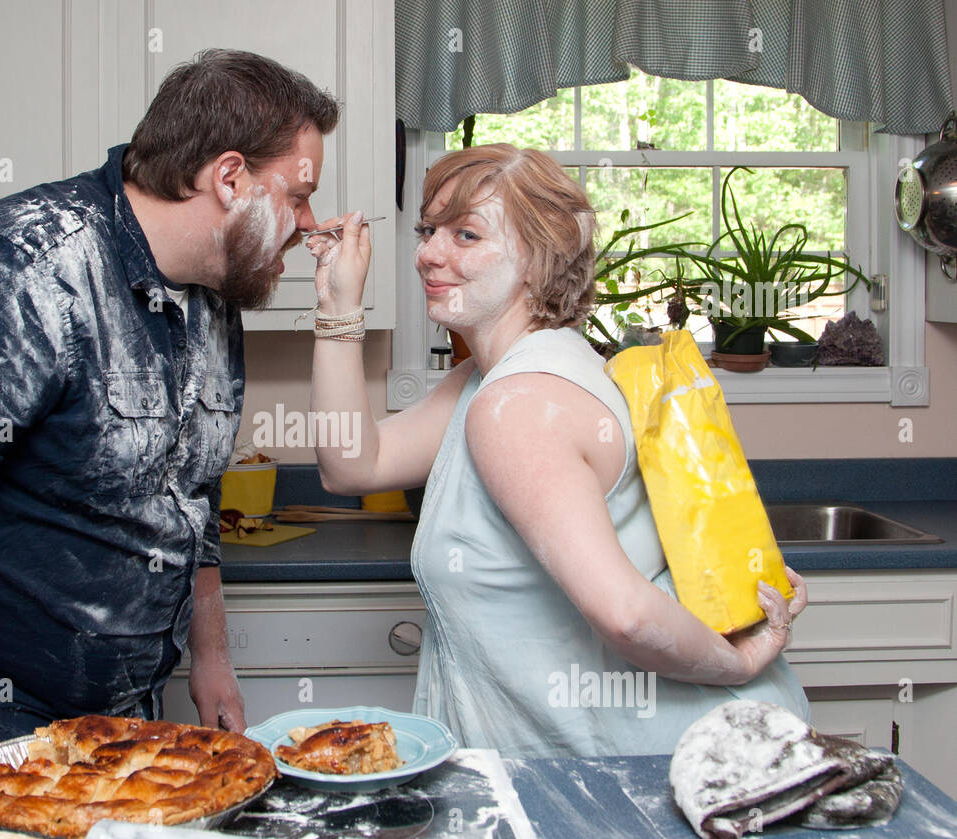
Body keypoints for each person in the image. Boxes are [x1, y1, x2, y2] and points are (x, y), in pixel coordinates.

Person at [0, 50, 339, 794]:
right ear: (229, 178)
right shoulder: (26, 264)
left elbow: (190, 496)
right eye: (298, 196)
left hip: (124, 720)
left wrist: (212, 659)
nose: (309, 223)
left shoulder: (210, 290)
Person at [304, 143, 810, 758]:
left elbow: (627, 614)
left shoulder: (518, 404)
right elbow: (353, 463)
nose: (428, 253)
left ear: (538, 259)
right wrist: (338, 305)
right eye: (429, 229)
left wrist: (737, 663)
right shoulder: (487, 380)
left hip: (653, 769)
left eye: (466, 234)